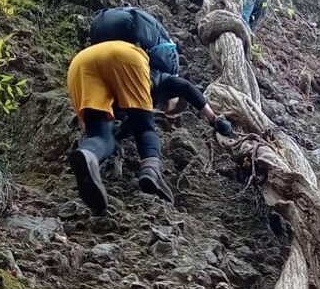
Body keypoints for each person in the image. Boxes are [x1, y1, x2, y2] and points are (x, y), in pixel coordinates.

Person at [66, 39, 233, 215]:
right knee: (146, 128)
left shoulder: (134, 89)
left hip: (81, 64)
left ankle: (88, 155)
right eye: (169, 108)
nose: (161, 109)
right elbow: (187, 88)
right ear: (172, 97)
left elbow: (126, 127)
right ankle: (151, 171)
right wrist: (215, 120)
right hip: (127, 58)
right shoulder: (165, 81)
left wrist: (115, 138)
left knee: (101, 138)